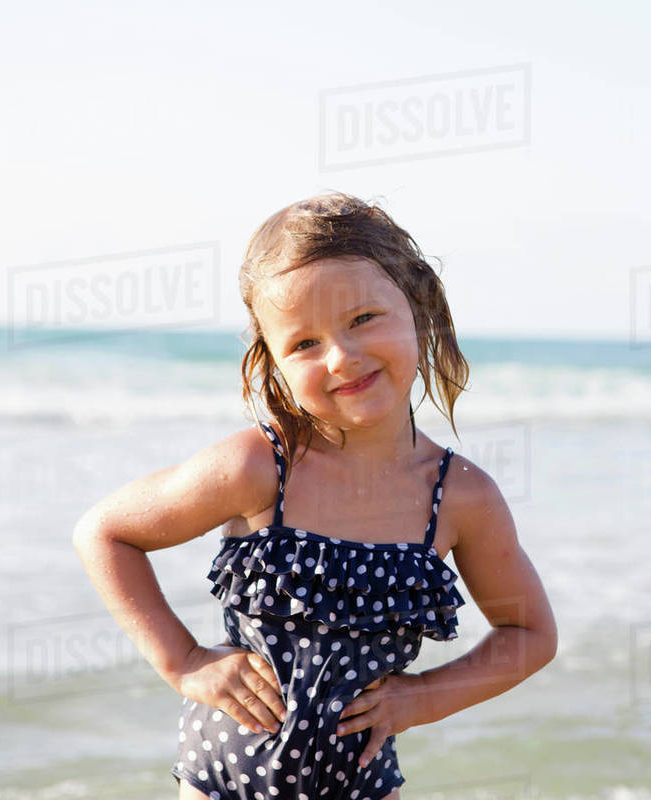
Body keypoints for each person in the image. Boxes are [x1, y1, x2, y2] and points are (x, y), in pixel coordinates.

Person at [72, 192, 558, 800]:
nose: (341, 357)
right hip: (226, 776)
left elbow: (529, 632)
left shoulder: (459, 497)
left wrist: (423, 697)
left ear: (419, 308)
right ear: (272, 364)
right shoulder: (260, 467)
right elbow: (105, 532)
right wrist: (184, 662)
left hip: (362, 782)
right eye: (304, 344)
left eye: (362, 320)